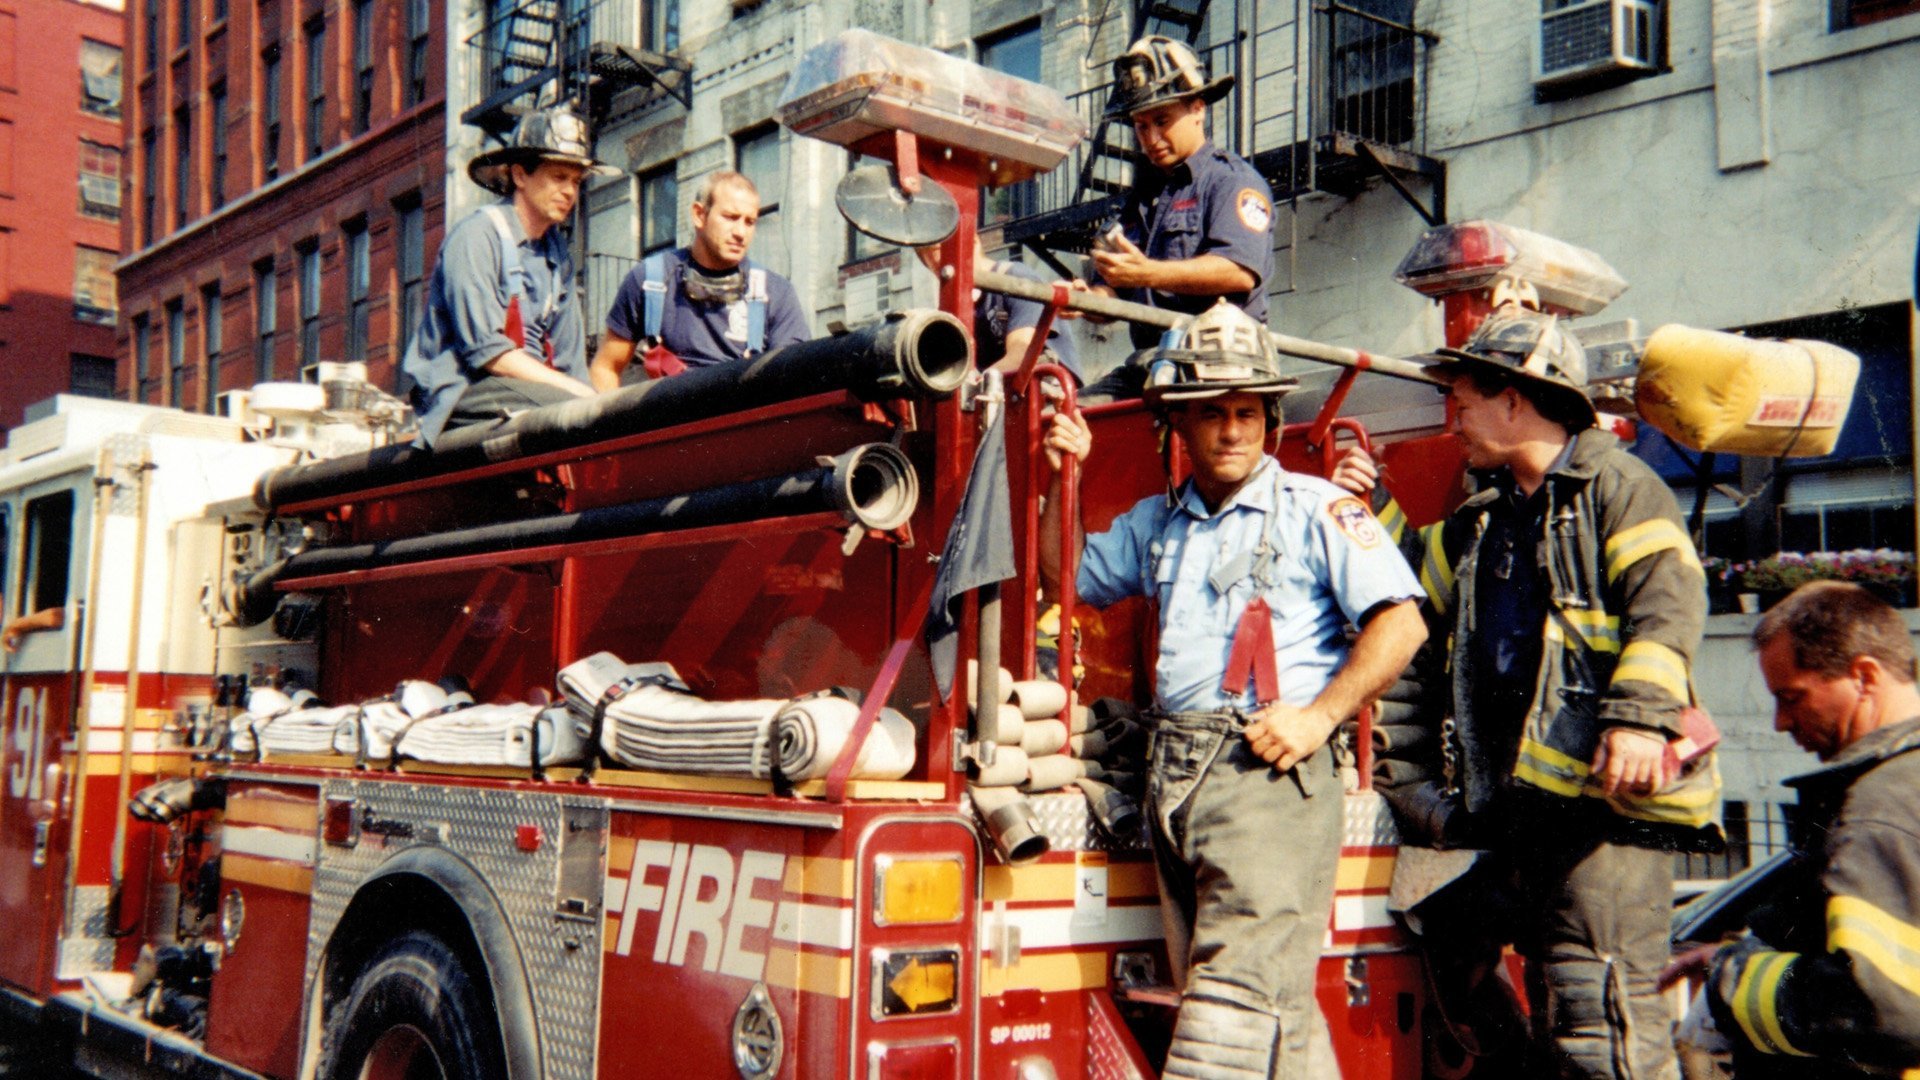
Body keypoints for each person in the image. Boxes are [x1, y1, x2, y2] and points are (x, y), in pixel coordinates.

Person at [1039, 300, 1426, 1080]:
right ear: (1178, 423)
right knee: (1268, 1012)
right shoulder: (1160, 523)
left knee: (1227, 1025)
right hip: (1175, 774)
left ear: (1271, 419)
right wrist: (1060, 480)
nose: (1232, 430)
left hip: (1267, 779)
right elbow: (1066, 574)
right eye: (1212, 413)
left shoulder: (1319, 509)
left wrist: (1319, 718)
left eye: (1248, 411)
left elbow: (1402, 624)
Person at [1382, 303, 1718, 1079]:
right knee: (1519, 990)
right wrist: (1362, 504)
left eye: (1465, 400)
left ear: (1516, 397)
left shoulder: (1619, 488)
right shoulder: (1489, 519)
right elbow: (1411, 586)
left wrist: (1637, 723)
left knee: (1602, 1023)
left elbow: (1667, 607)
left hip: (1609, 816)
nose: (1455, 417)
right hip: (1532, 815)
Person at [1698, 581, 1920, 1078]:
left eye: (1792, 697)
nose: (1779, 722)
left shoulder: (1877, 805)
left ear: (1864, 676)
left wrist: (1732, 981)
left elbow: (1885, 1007)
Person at [403, 107, 608, 447]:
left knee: (601, 412)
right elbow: (488, 353)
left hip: (528, 389)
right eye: (559, 177)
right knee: (577, 409)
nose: (571, 191)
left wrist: (592, 397)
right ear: (519, 175)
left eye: (575, 181)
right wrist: (578, 395)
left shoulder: (557, 257)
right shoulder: (476, 236)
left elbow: (571, 363)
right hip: (463, 389)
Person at [1082, 36, 1275, 351]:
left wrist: (1148, 273)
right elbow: (1117, 290)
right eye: (1141, 126)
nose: (1151, 138)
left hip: (1222, 359)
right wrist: (1087, 300)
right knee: (1069, 403)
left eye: (1162, 121)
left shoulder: (1231, 181)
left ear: (1198, 109)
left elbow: (1238, 271)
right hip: (1152, 361)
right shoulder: (1143, 198)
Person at [590, 171, 810, 388]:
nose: (741, 232)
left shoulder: (776, 293)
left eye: (750, 222)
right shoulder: (650, 282)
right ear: (699, 215)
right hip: (672, 418)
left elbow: (793, 381)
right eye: (730, 217)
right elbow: (605, 368)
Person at [915, 236, 1084, 384]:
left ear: (973, 241)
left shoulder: (1016, 280)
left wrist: (972, 387)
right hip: (1001, 395)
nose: (950, 279)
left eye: (951, 267)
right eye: (940, 272)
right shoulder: (956, 310)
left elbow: (1023, 354)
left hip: (1046, 393)